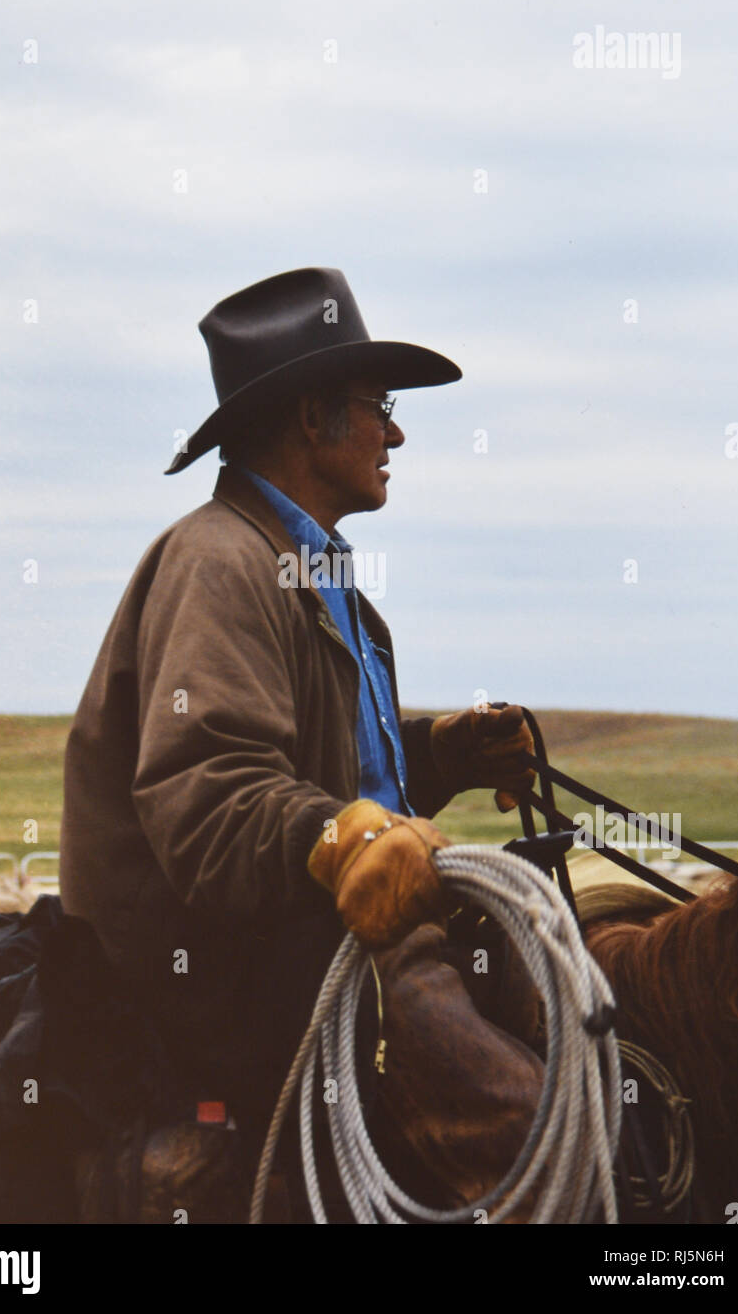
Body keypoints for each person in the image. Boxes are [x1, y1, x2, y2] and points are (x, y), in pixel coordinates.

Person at [58, 267, 537, 1206]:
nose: (394, 433)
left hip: (313, 959)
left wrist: (438, 752)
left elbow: (319, 761)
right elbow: (210, 798)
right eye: (378, 407)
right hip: (227, 995)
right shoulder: (220, 562)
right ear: (314, 417)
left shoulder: (304, 569)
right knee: (526, 1127)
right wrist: (349, 835)